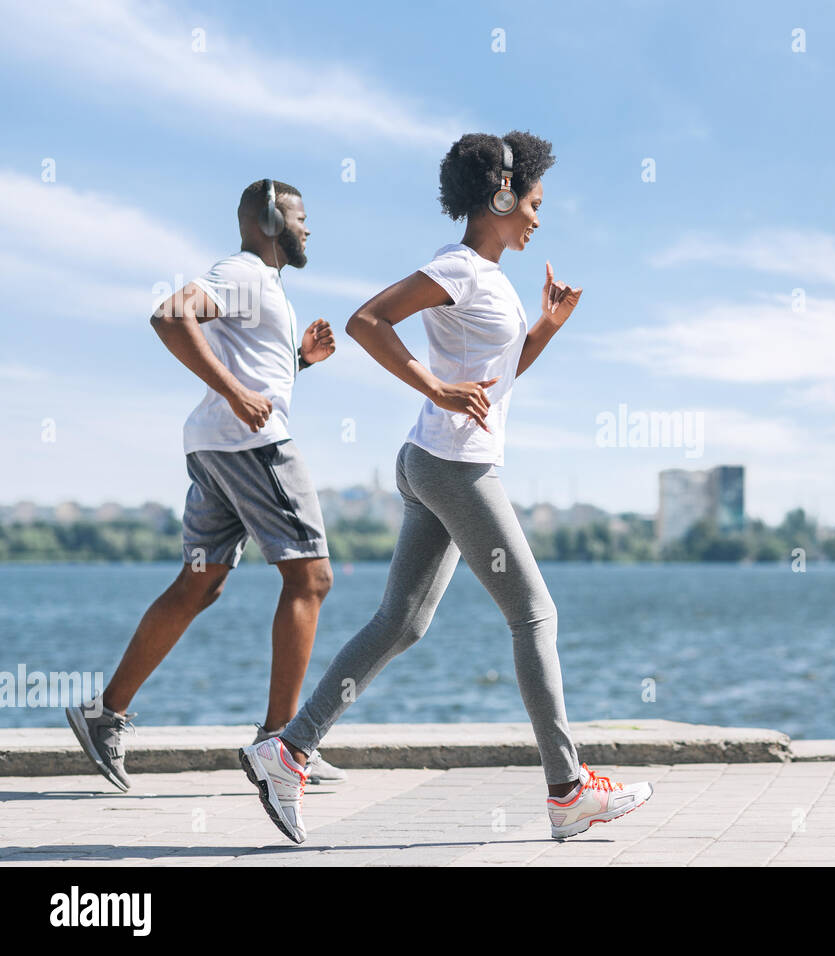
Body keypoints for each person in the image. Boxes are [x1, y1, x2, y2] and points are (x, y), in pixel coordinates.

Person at [238, 132, 653, 844]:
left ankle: (289, 750)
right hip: (455, 468)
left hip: (437, 460)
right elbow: (368, 321)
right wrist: (434, 385)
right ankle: (566, 790)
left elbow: (495, 379)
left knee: (403, 621)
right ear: (500, 195)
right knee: (535, 614)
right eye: (533, 203)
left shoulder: (489, 279)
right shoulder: (458, 267)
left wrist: (546, 326)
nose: (538, 218)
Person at [66, 180, 347, 790]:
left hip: (214, 447)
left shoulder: (264, 286)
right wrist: (235, 392)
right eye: (301, 218)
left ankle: (103, 713)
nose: (308, 229)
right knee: (312, 576)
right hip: (253, 448)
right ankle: (280, 743)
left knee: (200, 584)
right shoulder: (243, 271)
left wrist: (297, 362)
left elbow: (248, 364)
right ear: (271, 218)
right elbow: (169, 315)